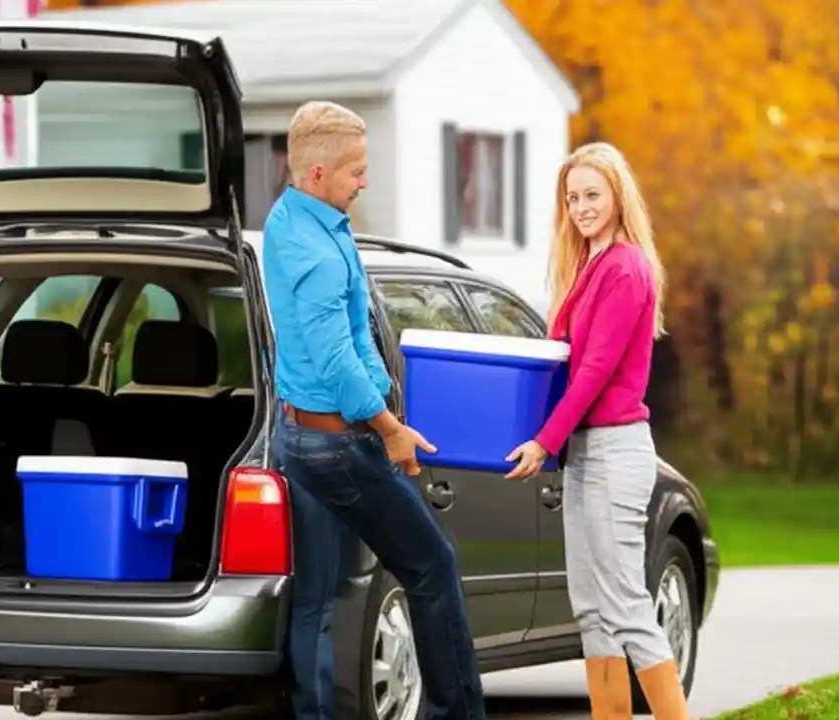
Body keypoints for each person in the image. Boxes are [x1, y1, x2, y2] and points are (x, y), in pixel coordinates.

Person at [263, 100, 487, 720]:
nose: (365, 181)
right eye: (355, 170)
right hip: (340, 444)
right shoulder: (315, 250)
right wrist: (390, 428)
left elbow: (339, 341)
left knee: (317, 595)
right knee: (432, 567)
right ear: (315, 174)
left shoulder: (290, 222)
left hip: (297, 437)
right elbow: (336, 359)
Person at [504, 142, 689, 719]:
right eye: (572, 197)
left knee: (626, 603)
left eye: (592, 195)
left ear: (617, 196)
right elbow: (561, 359)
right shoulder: (587, 265)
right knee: (591, 609)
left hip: (616, 450)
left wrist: (543, 440)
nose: (581, 207)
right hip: (585, 453)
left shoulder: (626, 266)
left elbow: (593, 374)